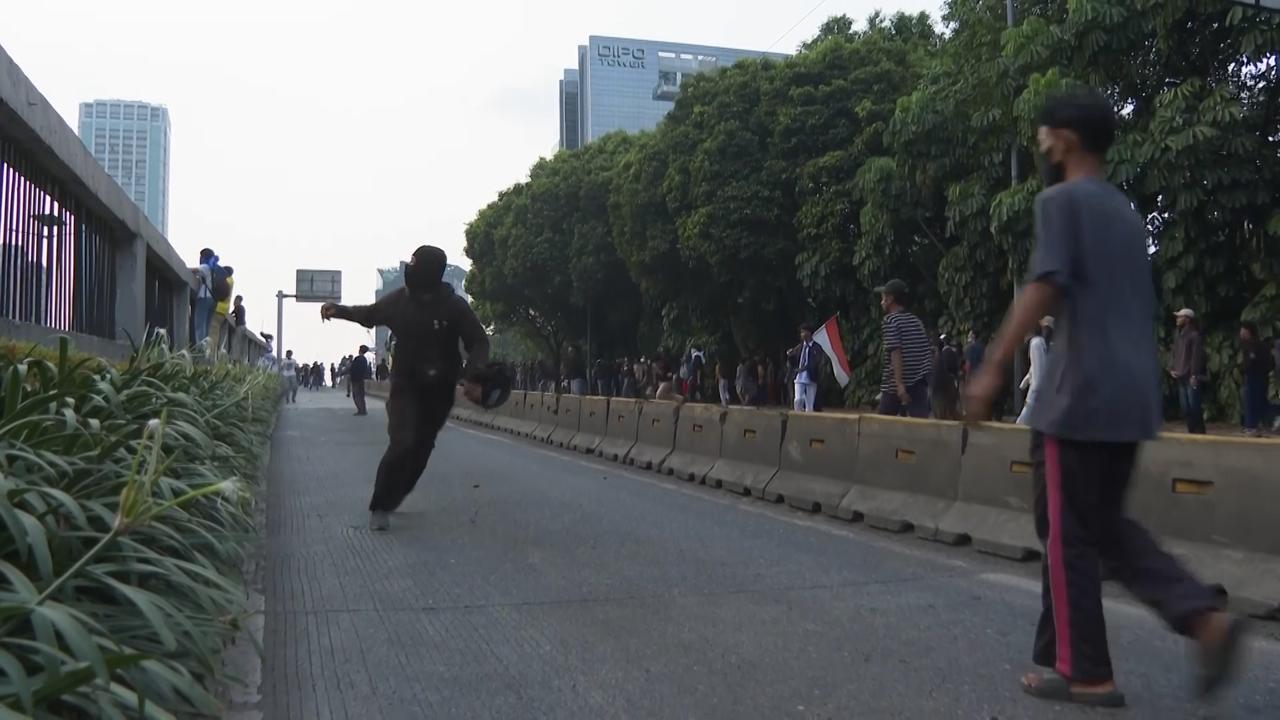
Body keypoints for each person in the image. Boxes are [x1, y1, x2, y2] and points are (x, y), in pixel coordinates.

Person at [965, 88, 1245, 708]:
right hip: (1131, 396)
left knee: (1067, 532)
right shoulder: (1123, 211)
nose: (1039, 143)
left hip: (1079, 395)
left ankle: (1088, 670)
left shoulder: (1059, 201)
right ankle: (1198, 618)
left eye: (1043, 133)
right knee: (1100, 528)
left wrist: (990, 368)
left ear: (1064, 138)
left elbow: (1043, 288)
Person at [321, 245, 489, 532]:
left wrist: (474, 375)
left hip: (440, 389)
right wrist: (339, 311)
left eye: (414, 264)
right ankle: (380, 505)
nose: (409, 269)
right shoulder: (399, 301)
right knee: (403, 442)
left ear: (429, 272)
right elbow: (370, 314)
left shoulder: (453, 306)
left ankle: (397, 493)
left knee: (422, 448)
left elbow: (479, 341)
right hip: (405, 387)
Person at [876, 279, 933, 417]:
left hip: (894, 384)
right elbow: (924, 353)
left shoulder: (891, 321)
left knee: (878, 428)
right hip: (918, 382)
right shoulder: (916, 321)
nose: (881, 302)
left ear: (890, 299)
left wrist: (900, 384)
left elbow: (896, 352)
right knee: (920, 426)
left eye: (883, 298)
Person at [1170, 309, 1207, 434]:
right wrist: (1172, 367)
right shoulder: (1178, 334)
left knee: (1194, 405)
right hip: (1180, 374)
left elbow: (1196, 356)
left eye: (1180, 317)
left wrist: (1194, 374)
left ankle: (1199, 430)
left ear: (1187, 319)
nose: (1177, 319)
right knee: (1185, 407)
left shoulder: (1194, 335)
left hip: (1190, 375)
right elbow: (1175, 353)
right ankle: (1191, 429)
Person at [1016, 318, 1054, 426]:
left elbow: (1038, 371)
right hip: (1046, 390)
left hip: (1037, 392)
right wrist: (1024, 382)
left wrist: (1033, 395)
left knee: (1022, 423)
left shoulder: (1036, 344)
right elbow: (1034, 369)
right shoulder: (1047, 345)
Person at [1239, 321, 1272, 437]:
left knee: (1253, 401)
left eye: (1243, 330)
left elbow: (1257, 361)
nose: (1241, 332)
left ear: (1248, 331)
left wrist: (1248, 367)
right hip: (1251, 376)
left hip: (1256, 376)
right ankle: (1252, 425)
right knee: (1251, 401)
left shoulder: (1255, 345)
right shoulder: (1247, 344)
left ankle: (1252, 426)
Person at [789, 325, 824, 412]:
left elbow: (816, 362)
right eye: (801, 332)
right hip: (799, 377)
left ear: (809, 333)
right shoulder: (800, 347)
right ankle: (797, 416)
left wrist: (805, 368)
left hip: (811, 378)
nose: (803, 334)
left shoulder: (816, 347)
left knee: (809, 405)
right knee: (798, 399)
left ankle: (808, 421)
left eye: (804, 332)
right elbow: (793, 363)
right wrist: (790, 356)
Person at [190, 249, 217, 345]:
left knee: (199, 326)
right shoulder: (214, 268)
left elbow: (194, 270)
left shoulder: (206, 267)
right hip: (213, 301)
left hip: (204, 298)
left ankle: (200, 353)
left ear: (203, 257)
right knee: (206, 328)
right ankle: (206, 353)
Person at [934, 335, 963, 421]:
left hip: (946, 384)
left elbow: (950, 368)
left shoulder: (945, 353)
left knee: (946, 407)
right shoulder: (949, 352)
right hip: (949, 383)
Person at [209, 266, 234, 358]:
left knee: (212, 334)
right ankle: (214, 355)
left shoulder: (225, 280)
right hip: (224, 311)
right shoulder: (231, 280)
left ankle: (211, 356)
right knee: (216, 334)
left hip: (218, 308)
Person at [349, 345, 371, 416]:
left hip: (355, 380)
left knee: (356, 396)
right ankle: (363, 410)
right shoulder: (364, 360)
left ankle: (360, 410)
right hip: (361, 379)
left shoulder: (357, 359)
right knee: (361, 396)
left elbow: (352, 369)